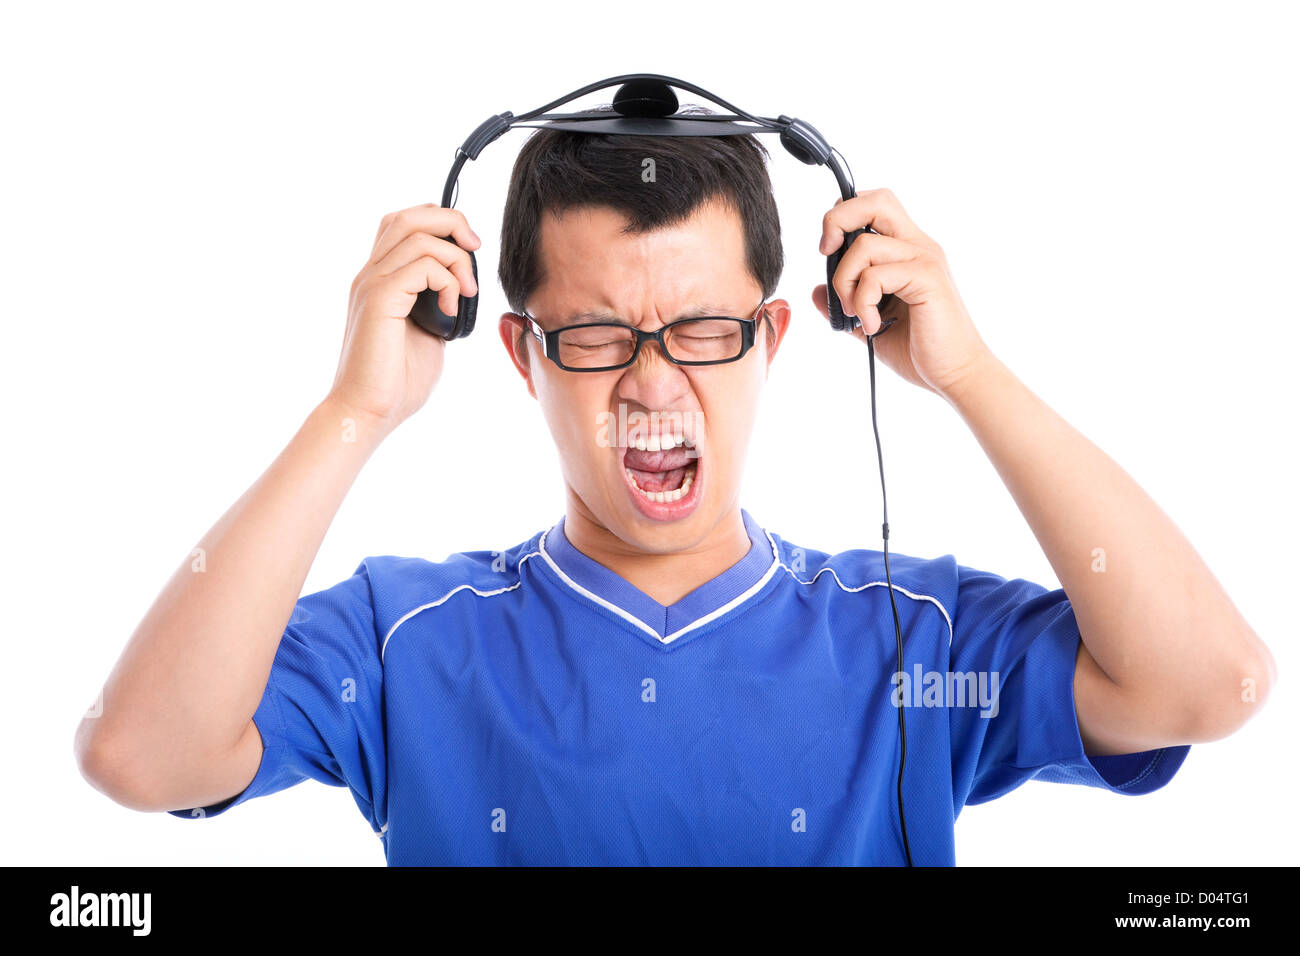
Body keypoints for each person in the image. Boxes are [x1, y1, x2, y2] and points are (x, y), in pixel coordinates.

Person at [73, 110, 1276, 865]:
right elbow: (141, 756)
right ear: (519, 355)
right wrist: (353, 412)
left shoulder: (911, 643)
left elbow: (1208, 683)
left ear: (771, 336)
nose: (652, 386)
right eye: (594, 334)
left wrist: (966, 371)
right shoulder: (405, 639)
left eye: (700, 328)